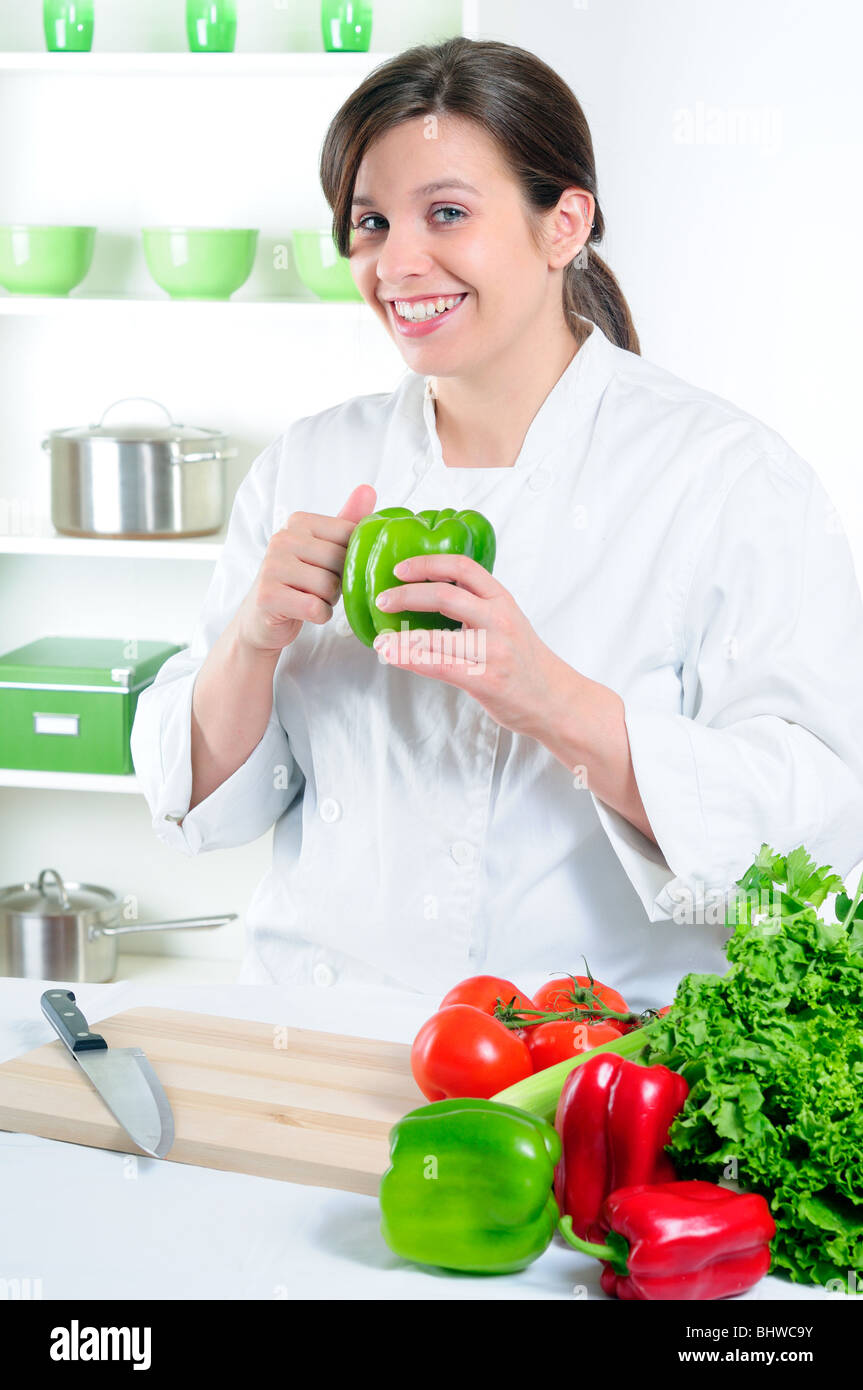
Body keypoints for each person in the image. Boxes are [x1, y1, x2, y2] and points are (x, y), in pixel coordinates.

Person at [130, 37, 863, 1010]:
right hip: (319, 1031)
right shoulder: (309, 465)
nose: (396, 262)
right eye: (370, 222)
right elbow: (199, 808)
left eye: (445, 214)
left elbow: (814, 824)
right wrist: (252, 641)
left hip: (585, 1063)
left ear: (563, 225)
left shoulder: (722, 477)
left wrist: (554, 702)